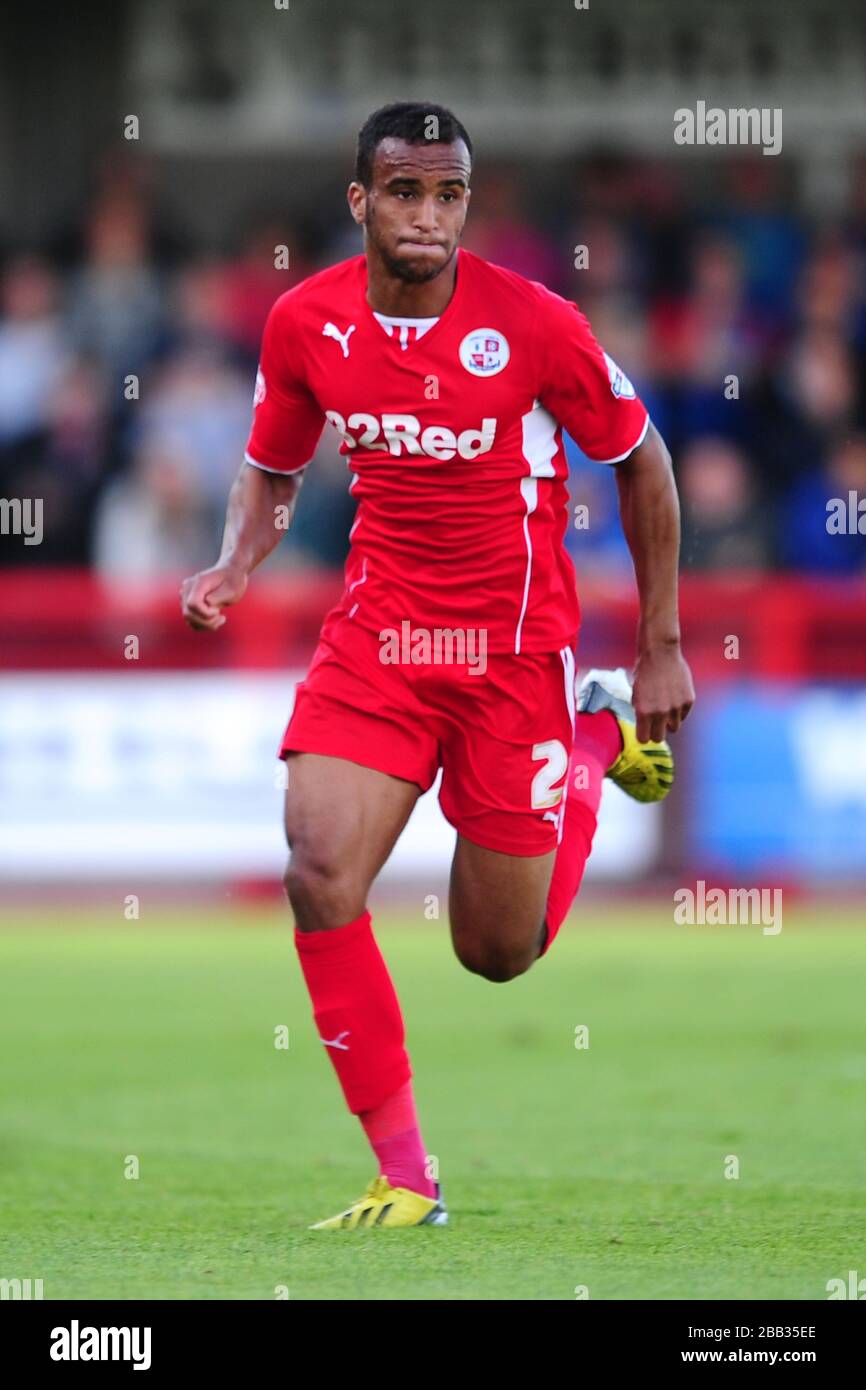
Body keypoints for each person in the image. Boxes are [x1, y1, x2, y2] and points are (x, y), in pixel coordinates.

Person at [181, 102, 695, 1230]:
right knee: (318, 869)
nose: (427, 215)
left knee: (495, 954)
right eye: (404, 192)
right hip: (381, 641)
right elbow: (272, 466)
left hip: (513, 656)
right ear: (360, 201)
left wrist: (656, 640)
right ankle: (406, 1175)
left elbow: (642, 459)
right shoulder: (304, 321)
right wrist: (233, 562)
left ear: (467, 201)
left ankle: (594, 733)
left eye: (448, 194)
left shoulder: (536, 324)